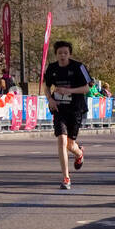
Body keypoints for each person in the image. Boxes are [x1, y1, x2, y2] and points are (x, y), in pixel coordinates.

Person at [42, 40, 91, 190]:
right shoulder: (52, 68)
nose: (62, 56)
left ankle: (79, 153)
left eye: (65, 53)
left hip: (75, 109)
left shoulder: (78, 67)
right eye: (59, 53)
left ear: (69, 54)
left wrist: (69, 91)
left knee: (70, 144)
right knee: (62, 141)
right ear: (56, 55)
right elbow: (46, 86)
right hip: (59, 109)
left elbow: (88, 88)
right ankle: (66, 177)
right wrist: (50, 99)